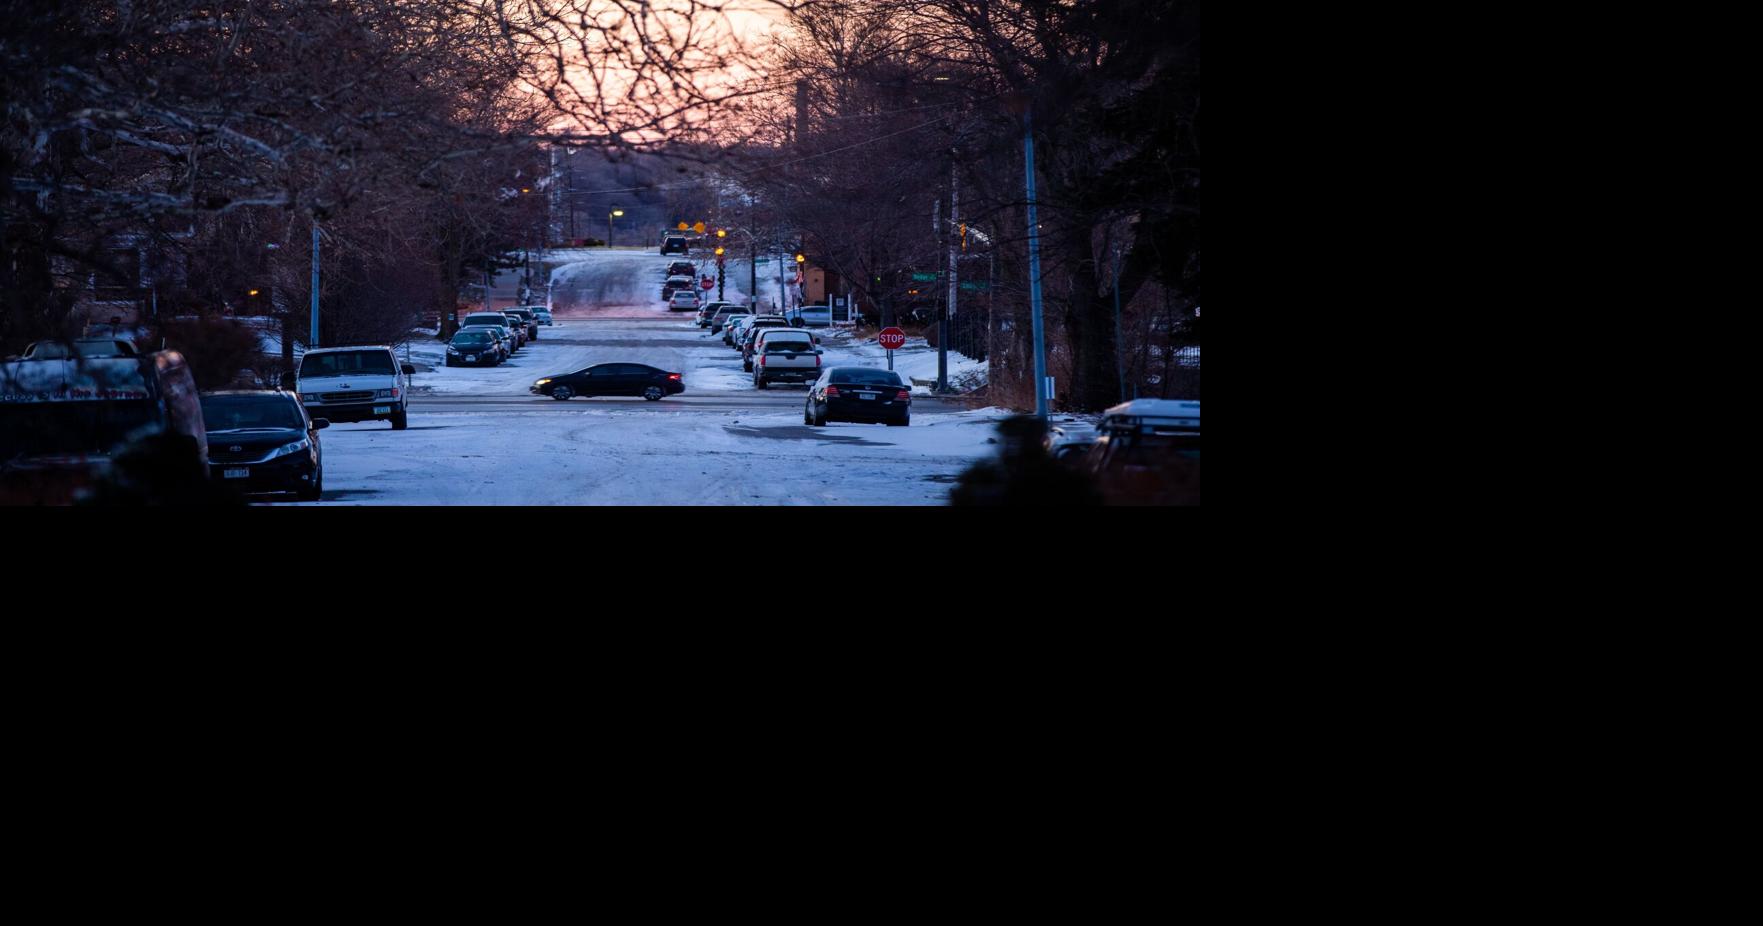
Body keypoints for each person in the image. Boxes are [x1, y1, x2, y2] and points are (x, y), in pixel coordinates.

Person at [949, 415, 1102, 506]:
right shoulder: (983, 476)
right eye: (1010, 440)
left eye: (1018, 441)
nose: (1013, 447)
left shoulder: (1062, 479)